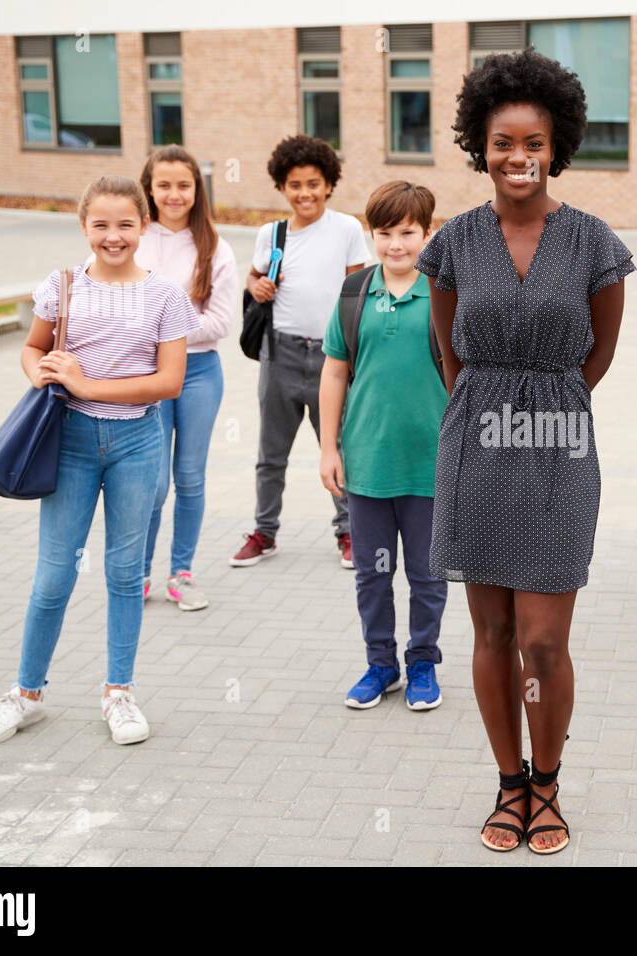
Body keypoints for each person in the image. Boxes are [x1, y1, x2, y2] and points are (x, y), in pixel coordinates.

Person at [414, 49, 634, 854]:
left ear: (556, 145)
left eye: (533, 142)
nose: (518, 157)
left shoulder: (592, 241)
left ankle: (549, 785)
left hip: (558, 441)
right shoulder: (452, 243)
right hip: (473, 442)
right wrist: (487, 411)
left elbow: (599, 357)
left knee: (544, 636)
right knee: (492, 634)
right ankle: (509, 786)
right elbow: (450, 354)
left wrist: (546, 409)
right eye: (502, 142)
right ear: (482, 144)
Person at [0, 176, 200, 747]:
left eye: (125, 224)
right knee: (54, 575)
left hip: (139, 444)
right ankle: (26, 695)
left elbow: (170, 383)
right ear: (84, 227)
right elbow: (32, 349)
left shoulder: (165, 294)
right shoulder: (63, 285)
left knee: (125, 575)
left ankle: (118, 693)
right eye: (101, 224)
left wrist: (88, 384)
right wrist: (41, 374)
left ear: (143, 226)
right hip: (68, 441)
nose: (113, 236)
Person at [318, 182, 448, 710]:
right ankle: (380, 665)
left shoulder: (446, 295)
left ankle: (422, 663)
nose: (397, 244)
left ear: (427, 233)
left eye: (408, 233)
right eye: (385, 233)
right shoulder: (354, 295)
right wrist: (329, 448)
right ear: (371, 234)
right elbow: (334, 372)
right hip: (366, 466)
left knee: (426, 575)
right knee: (373, 574)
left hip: (430, 467)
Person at [231, 135, 370, 570]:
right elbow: (253, 280)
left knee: (343, 449)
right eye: (295, 184)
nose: (305, 193)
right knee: (270, 455)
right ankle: (264, 533)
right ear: (281, 187)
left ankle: (349, 532)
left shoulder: (347, 228)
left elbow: (359, 290)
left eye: (313, 183)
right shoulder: (270, 234)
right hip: (281, 354)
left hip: (333, 358)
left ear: (329, 184)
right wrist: (257, 286)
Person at [136, 145, 239, 610]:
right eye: (164, 185)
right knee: (152, 482)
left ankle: (182, 574)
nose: (174, 194)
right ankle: (137, 573)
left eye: (183, 185)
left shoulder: (215, 246)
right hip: (148, 375)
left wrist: (164, 331)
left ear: (197, 190)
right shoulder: (134, 238)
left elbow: (221, 321)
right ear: (149, 189)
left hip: (199, 372)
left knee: (190, 477)